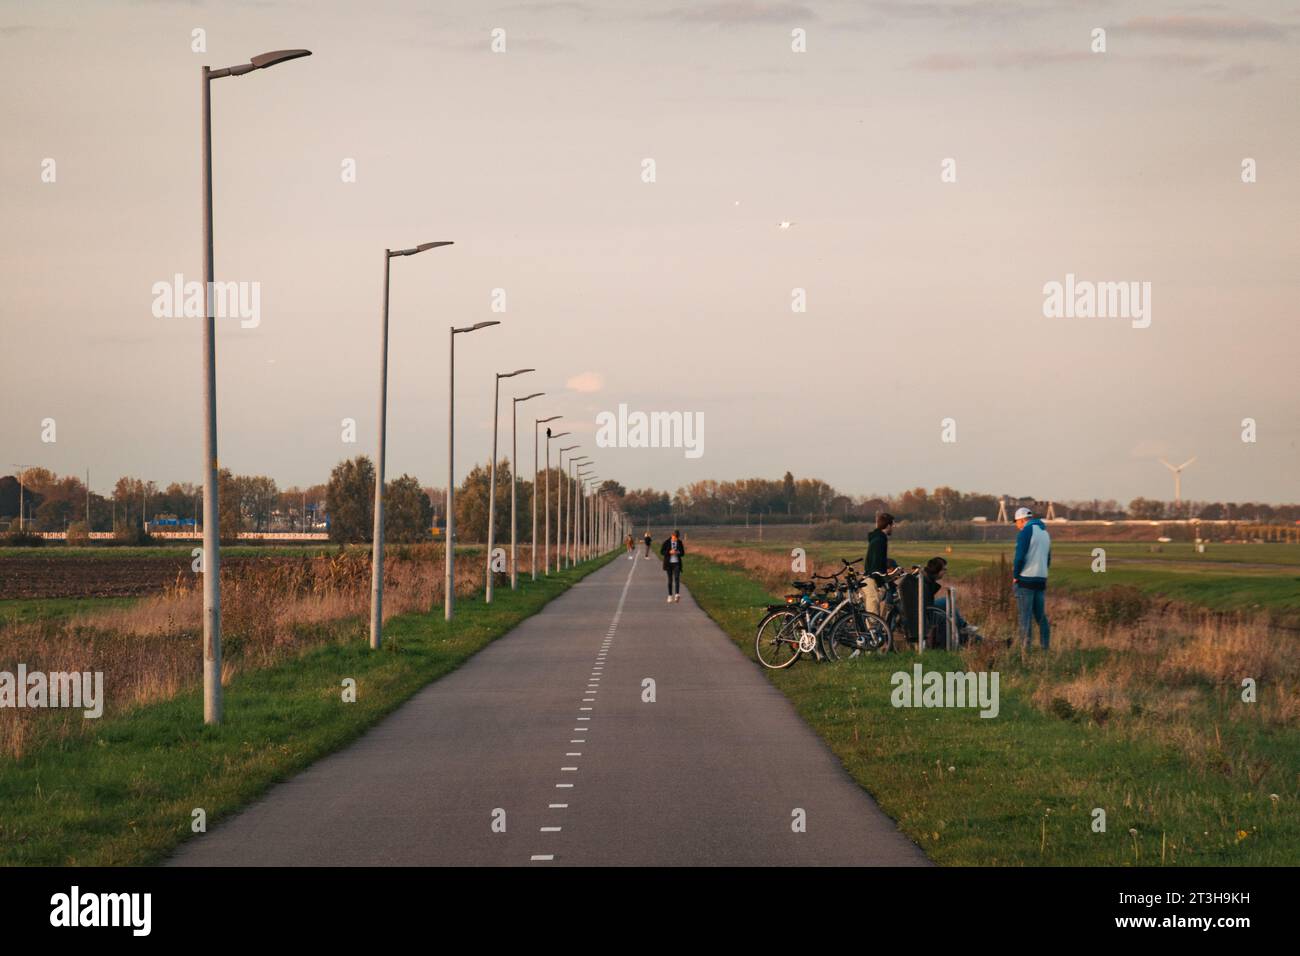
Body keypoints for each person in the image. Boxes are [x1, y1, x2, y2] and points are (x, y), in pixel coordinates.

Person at [1012, 507, 1051, 649]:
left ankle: (1025, 650)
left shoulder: (1025, 532)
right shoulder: (1045, 533)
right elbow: (1048, 558)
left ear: (1022, 520)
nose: (1016, 525)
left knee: (1025, 617)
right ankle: (1045, 647)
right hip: (1041, 579)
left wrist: (1016, 575)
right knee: (1041, 617)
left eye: (1016, 522)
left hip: (1026, 580)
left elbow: (1019, 557)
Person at [899, 557, 945, 647]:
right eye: (944, 569)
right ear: (937, 570)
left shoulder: (926, 578)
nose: (945, 572)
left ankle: (964, 627)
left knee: (946, 605)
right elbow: (926, 603)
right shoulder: (924, 581)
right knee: (946, 604)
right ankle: (963, 629)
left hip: (924, 608)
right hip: (923, 610)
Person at [862, 512, 894, 615]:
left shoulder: (878, 538)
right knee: (873, 612)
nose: (893, 528)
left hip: (872, 578)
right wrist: (881, 578)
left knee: (874, 605)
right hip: (872, 579)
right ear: (888, 525)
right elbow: (876, 562)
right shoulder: (879, 540)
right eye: (892, 525)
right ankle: (872, 630)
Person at [660, 529, 685, 603]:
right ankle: (670, 595)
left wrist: (678, 552)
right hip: (668, 563)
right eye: (674, 537)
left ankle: (677, 594)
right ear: (672, 535)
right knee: (670, 580)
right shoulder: (666, 542)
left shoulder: (679, 542)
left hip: (676, 563)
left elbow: (683, 553)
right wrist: (669, 552)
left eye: (677, 538)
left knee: (677, 578)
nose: (675, 539)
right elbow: (661, 551)